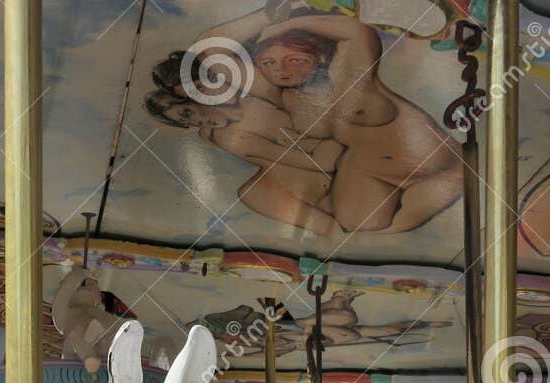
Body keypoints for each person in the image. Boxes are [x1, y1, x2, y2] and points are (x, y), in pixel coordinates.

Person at [147, 6, 461, 240]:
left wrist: (279, 20)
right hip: (365, 173)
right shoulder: (265, 104)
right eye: (194, 99)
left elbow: (210, 44)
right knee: (264, 194)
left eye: (205, 83)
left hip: (407, 158)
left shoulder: (333, 75)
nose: (208, 95)